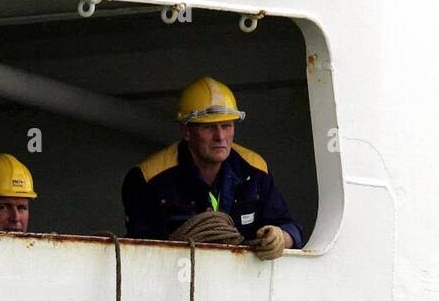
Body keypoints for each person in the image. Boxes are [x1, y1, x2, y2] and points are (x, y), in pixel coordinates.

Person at [122, 77, 303, 258]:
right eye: (209, 128)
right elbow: (141, 253)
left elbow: (290, 227)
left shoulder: (254, 170)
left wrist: (281, 238)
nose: (220, 137)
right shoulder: (149, 178)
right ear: (187, 131)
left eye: (226, 126)